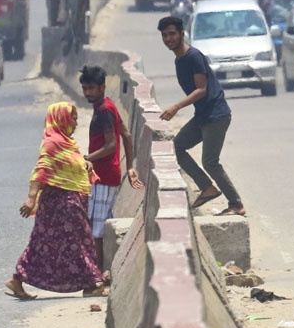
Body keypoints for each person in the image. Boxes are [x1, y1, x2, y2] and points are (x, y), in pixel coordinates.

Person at [4, 103, 108, 300]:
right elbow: (41, 171)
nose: (76, 123)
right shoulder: (52, 143)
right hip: (62, 204)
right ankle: (91, 284)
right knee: (82, 241)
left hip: (65, 204)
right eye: (73, 118)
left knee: (42, 243)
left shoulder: (68, 143)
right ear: (61, 119)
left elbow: (66, 167)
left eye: (76, 118)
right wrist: (31, 197)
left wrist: (84, 164)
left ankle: (17, 280)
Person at [157, 16, 245, 216]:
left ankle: (236, 204)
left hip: (216, 115)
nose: (168, 39)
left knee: (210, 161)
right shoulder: (179, 60)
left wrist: (176, 107)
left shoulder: (193, 56)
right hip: (203, 116)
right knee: (177, 147)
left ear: (182, 34)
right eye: (164, 35)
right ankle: (207, 187)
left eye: (172, 34)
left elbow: (202, 89)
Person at [80, 66, 142, 268]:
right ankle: (109, 268)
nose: (88, 92)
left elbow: (112, 145)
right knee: (103, 223)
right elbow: (127, 134)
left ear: (102, 87)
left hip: (105, 176)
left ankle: (98, 276)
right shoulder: (105, 107)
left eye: (91, 88)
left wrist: (87, 158)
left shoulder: (105, 110)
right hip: (105, 175)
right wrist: (130, 166)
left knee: (96, 231)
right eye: (85, 88)